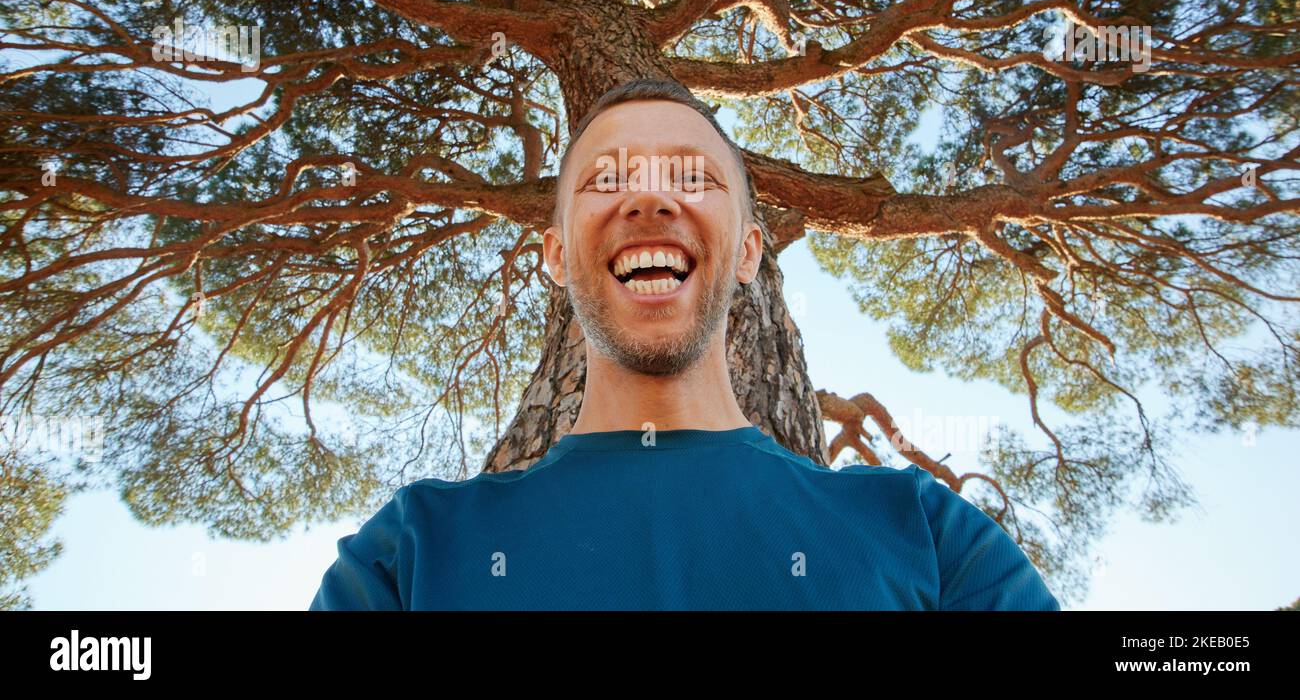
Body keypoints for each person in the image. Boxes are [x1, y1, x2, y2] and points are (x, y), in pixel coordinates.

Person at [309, 79, 1061, 610]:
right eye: (606, 178)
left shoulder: (921, 528)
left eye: (693, 176)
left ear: (747, 253)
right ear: (556, 256)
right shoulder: (410, 553)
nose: (651, 196)